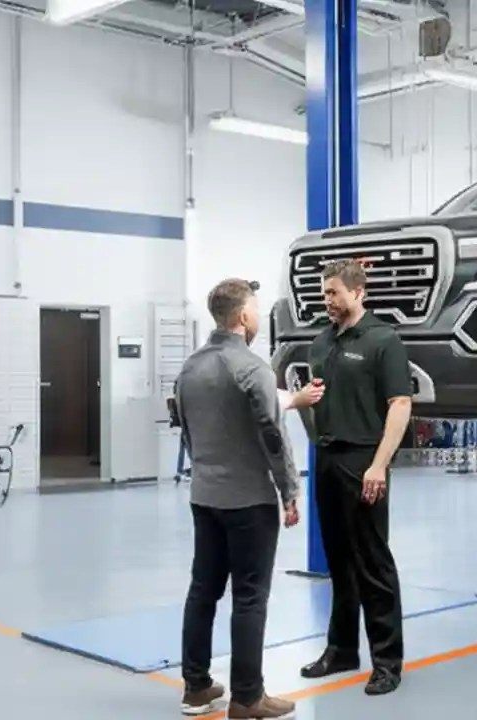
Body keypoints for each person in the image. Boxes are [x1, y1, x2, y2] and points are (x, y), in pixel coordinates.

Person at [174, 277, 325, 718]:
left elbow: (186, 430)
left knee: (203, 590)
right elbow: (273, 435)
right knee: (249, 597)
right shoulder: (252, 367)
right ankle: (247, 697)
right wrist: (290, 490)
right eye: (255, 309)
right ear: (242, 317)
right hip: (248, 502)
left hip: (204, 496)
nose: (258, 315)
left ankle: (196, 687)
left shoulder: (191, 367)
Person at [295, 258, 413, 696]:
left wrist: (379, 464)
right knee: (339, 563)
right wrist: (315, 435)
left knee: (373, 563)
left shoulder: (384, 341)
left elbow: (400, 404)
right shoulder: (320, 343)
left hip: (365, 459)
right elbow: (313, 397)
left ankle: (387, 661)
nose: (327, 300)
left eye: (334, 293)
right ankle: (341, 650)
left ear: (358, 292)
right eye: (324, 293)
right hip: (328, 460)